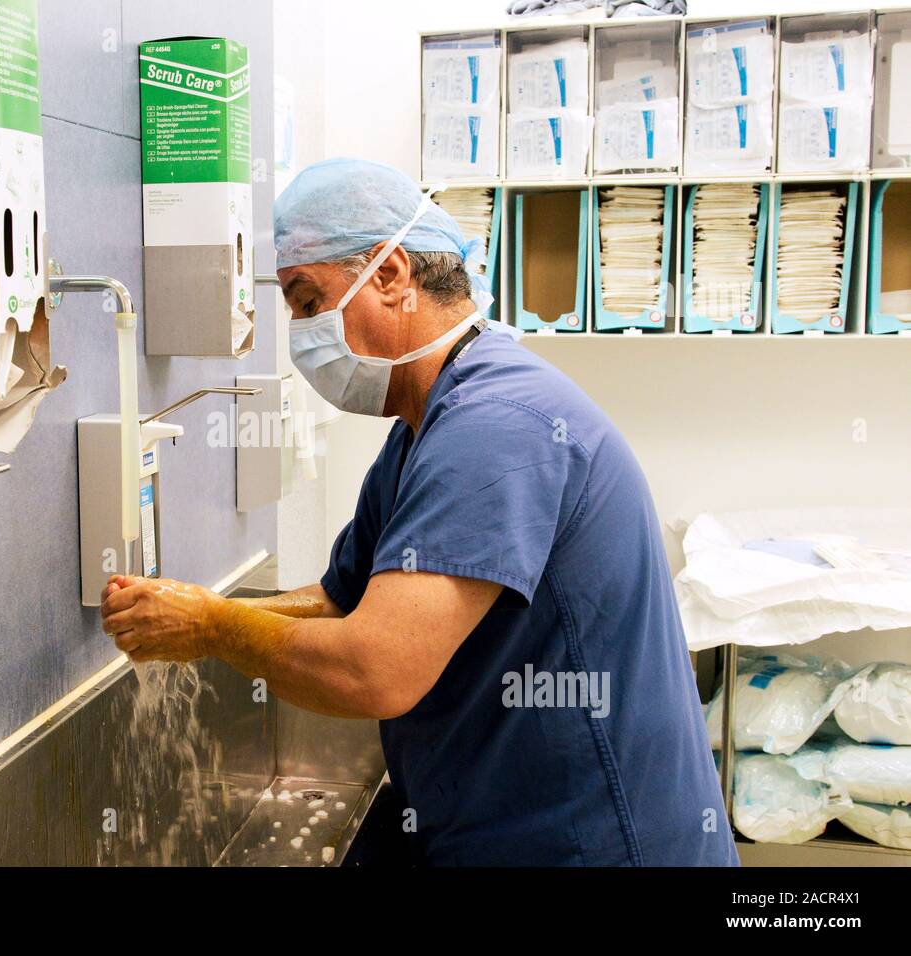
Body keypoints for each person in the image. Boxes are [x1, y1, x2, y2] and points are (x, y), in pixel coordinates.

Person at [101, 157, 737, 866]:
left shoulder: (496, 427)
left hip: (595, 843)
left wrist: (214, 627)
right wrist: (191, 616)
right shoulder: (425, 425)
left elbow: (374, 669)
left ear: (392, 275)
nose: (303, 333)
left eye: (309, 301)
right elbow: (343, 602)